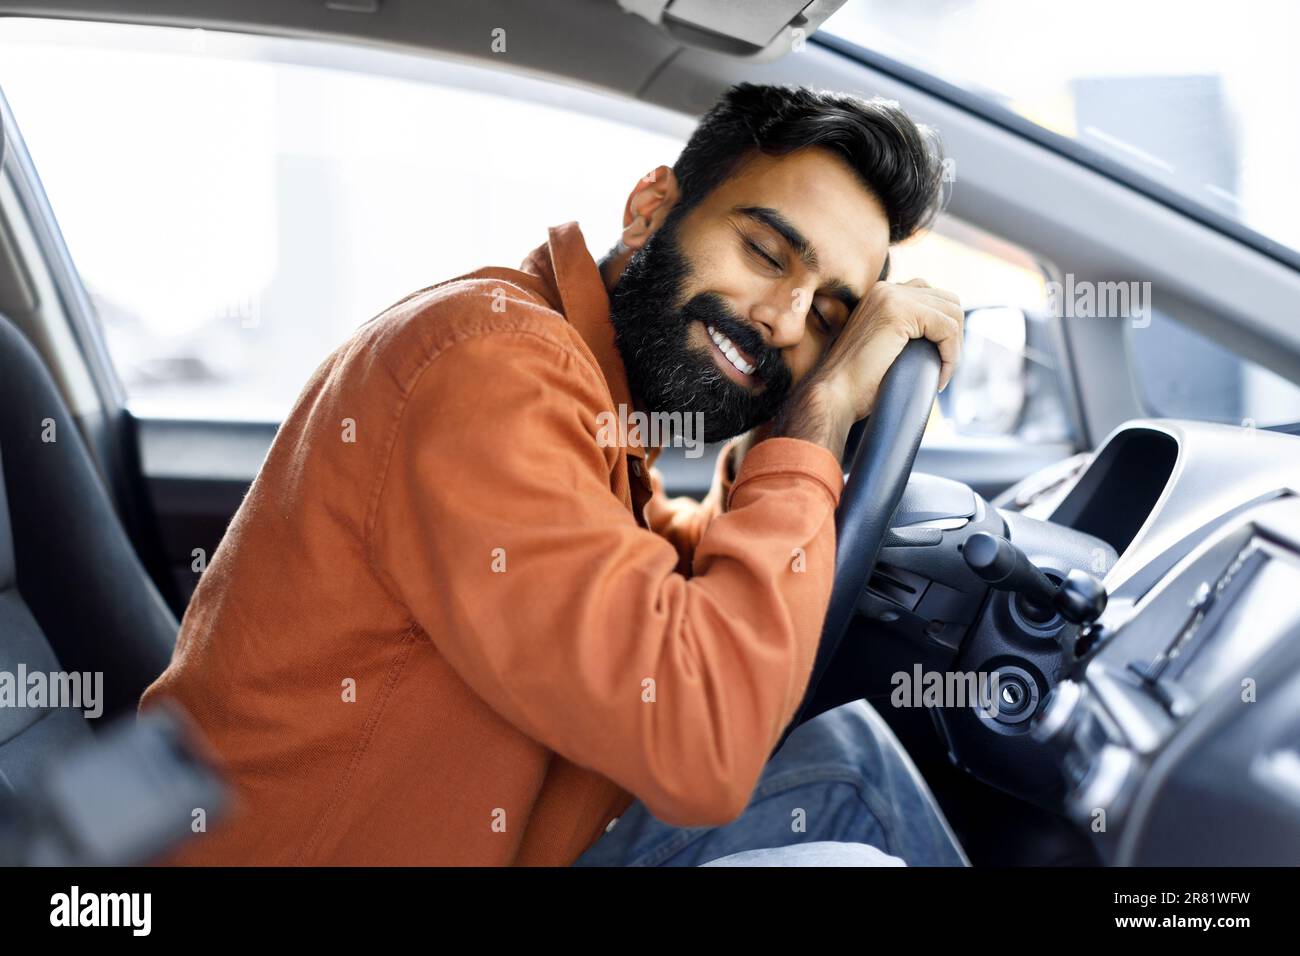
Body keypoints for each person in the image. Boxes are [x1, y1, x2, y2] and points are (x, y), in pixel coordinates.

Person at [140, 82, 967, 866]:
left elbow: (651, 572)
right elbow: (701, 738)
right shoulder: (492, 366)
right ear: (651, 209)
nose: (782, 320)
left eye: (826, 318)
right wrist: (814, 425)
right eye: (764, 251)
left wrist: (790, 449)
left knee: (840, 755)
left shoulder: (587, 383)